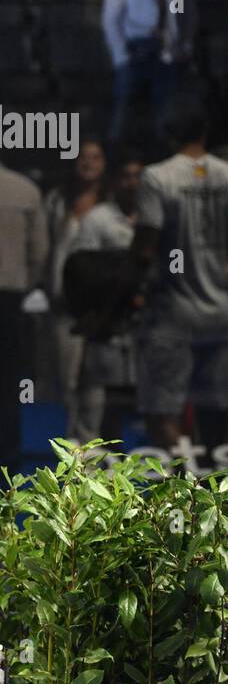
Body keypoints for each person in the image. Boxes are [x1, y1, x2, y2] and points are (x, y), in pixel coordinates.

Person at [129, 94, 228, 451]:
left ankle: (183, 493)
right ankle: (218, 496)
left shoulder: (158, 177)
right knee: (218, 410)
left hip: (173, 313)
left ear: (167, 132)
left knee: (161, 411)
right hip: (223, 311)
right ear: (205, 130)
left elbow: (144, 248)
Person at [0, 144, 48, 471]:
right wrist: (23, 283)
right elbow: (39, 251)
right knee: (7, 387)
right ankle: (9, 460)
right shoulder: (26, 188)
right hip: (10, 298)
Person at [63, 154, 145, 444]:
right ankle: (88, 468)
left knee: (141, 404)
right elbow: (80, 272)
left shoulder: (156, 217)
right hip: (104, 325)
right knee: (95, 400)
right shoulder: (97, 219)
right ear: (115, 181)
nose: (132, 183)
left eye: (138, 176)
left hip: (145, 327)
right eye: (126, 176)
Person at [102, 0, 196, 148]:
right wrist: (121, 57)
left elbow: (185, 13)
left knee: (165, 115)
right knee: (124, 112)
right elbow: (111, 17)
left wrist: (183, 46)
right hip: (137, 49)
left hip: (169, 52)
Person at [43, 138, 107, 441]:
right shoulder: (57, 201)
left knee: (95, 379)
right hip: (64, 304)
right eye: (82, 157)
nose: (88, 163)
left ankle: (93, 444)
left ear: (104, 164)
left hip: (103, 309)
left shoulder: (113, 204)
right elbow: (46, 250)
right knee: (66, 381)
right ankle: (70, 448)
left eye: (95, 157)